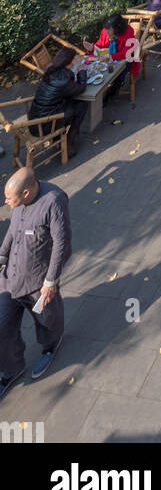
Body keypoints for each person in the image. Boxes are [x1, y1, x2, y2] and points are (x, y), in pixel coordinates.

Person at [0, 167, 72, 398]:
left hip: (37, 282)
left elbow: (61, 244)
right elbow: (13, 231)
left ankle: (51, 346)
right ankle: (13, 368)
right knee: (2, 326)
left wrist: (51, 281)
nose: (5, 201)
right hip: (10, 279)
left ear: (27, 193)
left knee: (46, 320)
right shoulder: (17, 205)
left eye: (9, 198)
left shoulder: (53, 201)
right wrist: (2, 255)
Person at [27, 49, 87, 159]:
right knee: (81, 106)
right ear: (69, 62)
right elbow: (81, 88)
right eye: (73, 60)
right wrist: (82, 72)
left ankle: (59, 138)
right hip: (46, 124)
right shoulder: (63, 79)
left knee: (73, 102)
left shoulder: (51, 70)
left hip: (34, 118)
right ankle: (69, 142)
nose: (74, 62)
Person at [84, 13, 140, 95]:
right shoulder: (105, 31)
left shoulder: (128, 33)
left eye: (109, 29)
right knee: (94, 68)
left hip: (128, 58)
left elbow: (125, 54)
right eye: (106, 28)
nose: (106, 31)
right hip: (109, 58)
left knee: (121, 70)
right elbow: (100, 45)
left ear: (118, 28)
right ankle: (97, 91)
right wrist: (92, 49)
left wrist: (108, 57)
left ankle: (114, 89)